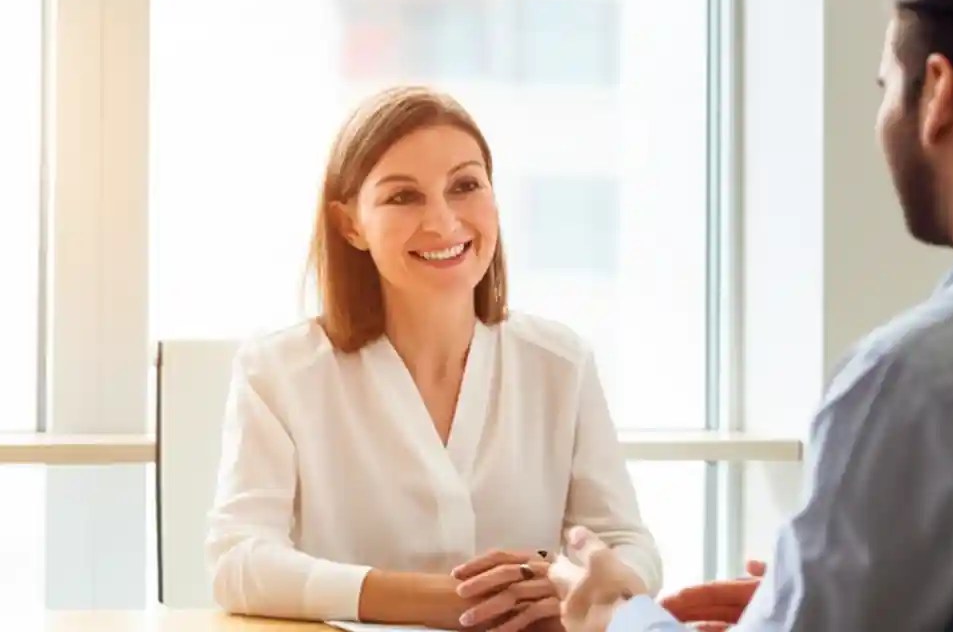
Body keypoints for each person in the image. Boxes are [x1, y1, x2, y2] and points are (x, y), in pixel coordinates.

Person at [559, 0, 953, 629]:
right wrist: (800, 604)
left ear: (938, 93)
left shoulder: (920, 381)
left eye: (884, 85)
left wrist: (616, 616)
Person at [204, 86, 663, 629]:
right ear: (350, 224)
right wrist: (445, 601)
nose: (444, 222)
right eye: (403, 197)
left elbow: (629, 547)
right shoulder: (278, 371)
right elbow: (238, 562)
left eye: (465, 186)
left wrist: (574, 587)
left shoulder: (560, 363)